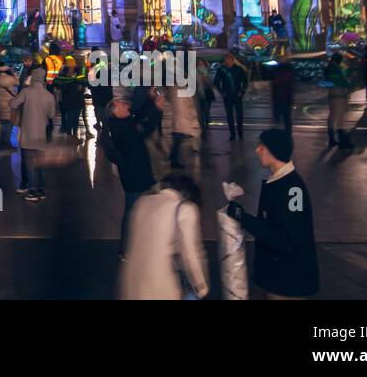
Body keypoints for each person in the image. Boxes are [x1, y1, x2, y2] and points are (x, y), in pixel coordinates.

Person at [225, 128, 319, 299]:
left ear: (275, 150)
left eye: (262, 145)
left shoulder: (291, 188)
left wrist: (244, 219)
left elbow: (285, 238)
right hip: (280, 278)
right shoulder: (278, 181)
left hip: (288, 281)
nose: (257, 149)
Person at [118, 173, 210, 300]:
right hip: (159, 288)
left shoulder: (142, 202)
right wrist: (201, 287)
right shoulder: (185, 209)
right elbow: (191, 256)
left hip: (131, 285)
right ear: (188, 194)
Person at [101, 94, 159, 257]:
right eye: (122, 105)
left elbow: (141, 119)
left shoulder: (122, 123)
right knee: (133, 212)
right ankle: (127, 249)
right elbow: (144, 130)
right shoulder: (120, 128)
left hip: (137, 174)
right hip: (135, 176)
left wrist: (150, 101)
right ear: (115, 112)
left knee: (136, 211)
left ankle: (131, 248)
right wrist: (156, 110)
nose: (127, 106)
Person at [10, 66, 55, 201]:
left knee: (29, 163)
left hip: (28, 133)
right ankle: (42, 189)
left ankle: (32, 190)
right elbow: (52, 114)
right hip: (41, 133)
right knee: (40, 163)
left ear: (34, 77)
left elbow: (13, 104)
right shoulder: (49, 95)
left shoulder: (26, 92)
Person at [214, 52, 249, 141]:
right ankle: (232, 134)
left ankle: (240, 134)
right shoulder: (221, 70)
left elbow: (245, 81)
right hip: (227, 96)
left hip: (237, 95)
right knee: (229, 115)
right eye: (226, 59)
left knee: (239, 115)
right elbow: (216, 82)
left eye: (229, 59)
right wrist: (222, 92)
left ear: (232, 60)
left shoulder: (238, 69)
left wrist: (242, 91)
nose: (227, 61)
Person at [166, 78, 200, 169]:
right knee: (178, 140)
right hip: (182, 120)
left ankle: (172, 157)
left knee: (177, 140)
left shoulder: (173, 89)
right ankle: (174, 160)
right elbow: (184, 107)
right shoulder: (181, 90)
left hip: (178, 120)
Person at [324, 50, 355, 148]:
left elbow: (327, 80)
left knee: (332, 116)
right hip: (339, 95)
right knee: (340, 118)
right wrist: (349, 83)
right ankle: (343, 141)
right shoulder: (336, 68)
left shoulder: (328, 67)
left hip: (332, 95)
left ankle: (332, 138)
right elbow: (342, 80)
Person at [270, 60, 295, 133]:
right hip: (286, 98)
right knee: (287, 118)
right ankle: (287, 133)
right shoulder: (289, 74)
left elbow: (274, 87)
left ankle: (279, 133)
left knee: (278, 118)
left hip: (279, 99)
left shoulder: (277, 75)